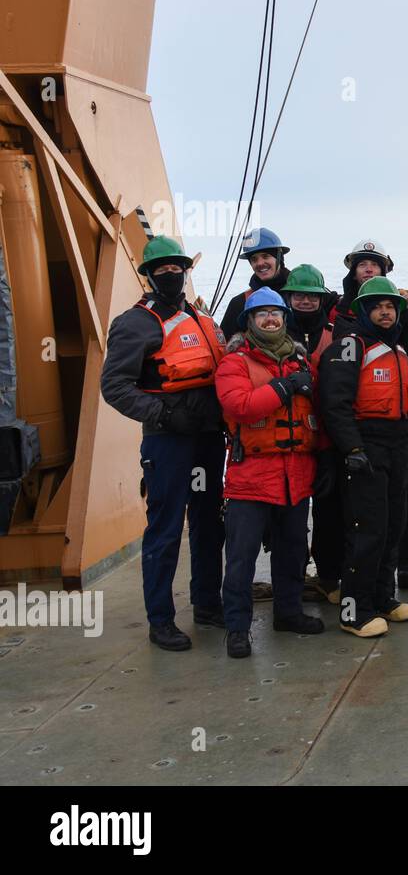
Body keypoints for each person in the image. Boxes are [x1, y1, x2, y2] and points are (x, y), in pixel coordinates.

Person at [100, 236, 225, 651]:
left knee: (209, 523)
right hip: (167, 443)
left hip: (207, 439)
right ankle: (161, 620)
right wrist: (164, 415)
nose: (171, 274)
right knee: (166, 528)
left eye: (177, 268)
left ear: (186, 272)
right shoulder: (133, 323)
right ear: (150, 275)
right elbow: (114, 387)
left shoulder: (200, 317)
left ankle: (208, 604)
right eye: (163, 269)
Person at [215, 288, 325, 657]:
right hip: (251, 478)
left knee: (293, 550)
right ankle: (237, 627)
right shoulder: (234, 363)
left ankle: (289, 612)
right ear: (249, 321)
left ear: (284, 318)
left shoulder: (301, 363)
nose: (270, 319)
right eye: (261, 314)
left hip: (295, 475)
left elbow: (317, 419)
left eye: (275, 313)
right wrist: (283, 387)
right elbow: (240, 405)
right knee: (242, 557)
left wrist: (323, 460)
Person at [332, 240, 408, 591]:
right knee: (365, 518)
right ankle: (357, 599)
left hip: (401, 429)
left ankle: (395, 575)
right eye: (361, 263)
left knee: (400, 505)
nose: (367, 268)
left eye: (374, 264)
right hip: (364, 434)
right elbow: (337, 393)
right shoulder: (343, 322)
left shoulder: (398, 323)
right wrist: (351, 446)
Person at [319, 277, 408, 637]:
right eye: (377, 306)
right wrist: (353, 450)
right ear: (363, 310)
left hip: (398, 446)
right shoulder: (349, 347)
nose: (385, 312)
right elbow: (335, 405)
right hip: (366, 447)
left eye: (390, 306)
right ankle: (354, 611)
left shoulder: (398, 351)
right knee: (367, 530)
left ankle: (382, 598)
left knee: (394, 526)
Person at [280, 264, 344, 601]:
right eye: (299, 295)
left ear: (322, 299)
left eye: (311, 296)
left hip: (328, 440)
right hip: (289, 441)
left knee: (329, 512)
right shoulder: (275, 334)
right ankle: (291, 577)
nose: (305, 301)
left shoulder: (338, 334)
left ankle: (329, 576)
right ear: (289, 298)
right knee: (289, 516)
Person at [218, 228, 291, 340]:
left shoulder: (302, 296)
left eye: (266, 256)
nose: (260, 263)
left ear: (279, 257)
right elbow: (224, 345)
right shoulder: (239, 303)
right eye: (254, 259)